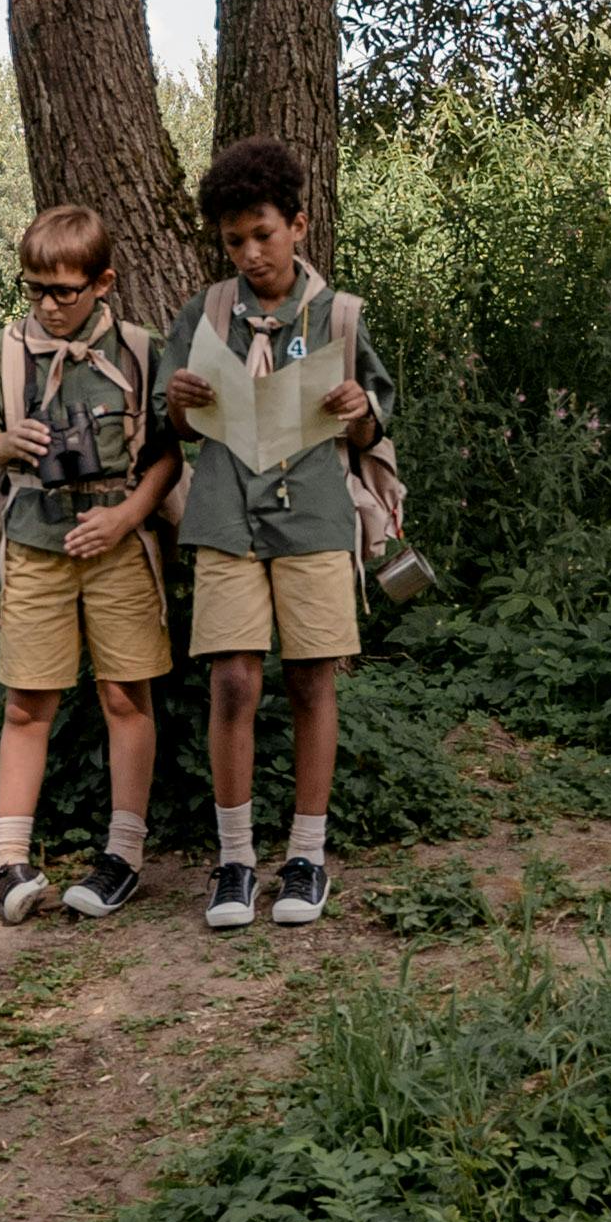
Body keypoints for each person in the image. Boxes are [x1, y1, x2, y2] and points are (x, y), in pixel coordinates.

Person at [159, 136, 391, 931]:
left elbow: (373, 425)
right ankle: (233, 859)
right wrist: (183, 399)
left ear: (298, 224)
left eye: (263, 233)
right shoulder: (207, 312)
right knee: (232, 679)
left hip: (315, 515)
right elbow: (178, 422)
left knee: (312, 678)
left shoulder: (339, 315)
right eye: (234, 241)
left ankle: (307, 854)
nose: (251, 253)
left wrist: (360, 412)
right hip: (227, 512)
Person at [0, 203, 181, 923]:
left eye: (63, 290)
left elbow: (167, 456)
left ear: (103, 282)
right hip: (35, 541)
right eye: (34, 288)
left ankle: (123, 855)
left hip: (117, 543)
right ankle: (9, 861)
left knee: (126, 695)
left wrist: (126, 516)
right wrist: (9, 442)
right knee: (28, 698)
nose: (48, 305)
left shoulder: (140, 351)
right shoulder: (7, 349)